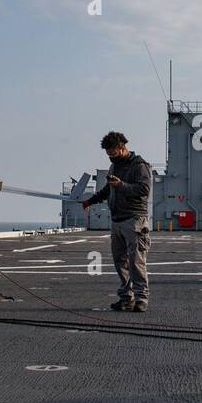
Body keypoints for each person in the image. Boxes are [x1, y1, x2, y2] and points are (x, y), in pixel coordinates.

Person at [80, 130, 152, 312]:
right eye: (108, 154)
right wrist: (91, 201)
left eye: (113, 153)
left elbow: (144, 190)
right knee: (120, 261)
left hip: (134, 219)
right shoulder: (114, 167)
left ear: (122, 147)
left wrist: (121, 185)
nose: (110, 157)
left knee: (136, 261)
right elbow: (108, 190)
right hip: (118, 220)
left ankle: (141, 298)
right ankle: (127, 298)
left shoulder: (139, 165)